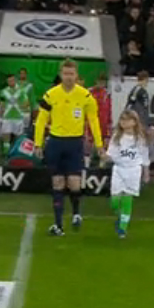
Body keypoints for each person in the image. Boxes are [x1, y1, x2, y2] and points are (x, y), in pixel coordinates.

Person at [34, 59, 103, 236]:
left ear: (76, 75)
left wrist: (99, 144)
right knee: (57, 182)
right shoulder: (51, 95)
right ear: (61, 74)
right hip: (56, 142)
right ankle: (58, 225)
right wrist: (38, 143)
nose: (69, 77)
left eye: (71, 74)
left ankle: (76, 213)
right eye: (65, 74)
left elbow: (93, 120)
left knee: (74, 183)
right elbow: (41, 120)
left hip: (75, 143)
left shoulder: (85, 96)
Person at [104, 110, 150, 238]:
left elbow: (144, 156)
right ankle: (120, 216)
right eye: (122, 119)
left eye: (127, 119)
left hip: (133, 170)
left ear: (134, 122)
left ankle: (123, 228)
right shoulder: (116, 137)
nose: (124, 122)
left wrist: (146, 173)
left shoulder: (140, 139)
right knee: (114, 201)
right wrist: (104, 157)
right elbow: (111, 154)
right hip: (119, 170)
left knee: (127, 198)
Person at [0, 74, 28, 156]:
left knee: (18, 138)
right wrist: (0, 115)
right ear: (7, 82)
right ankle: (6, 155)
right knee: (6, 137)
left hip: (18, 117)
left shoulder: (21, 91)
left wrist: (20, 107)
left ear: (15, 80)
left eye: (12, 80)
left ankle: (16, 155)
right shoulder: (3, 92)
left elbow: (26, 103)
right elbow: (2, 104)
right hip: (7, 117)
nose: (11, 82)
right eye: (9, 81)